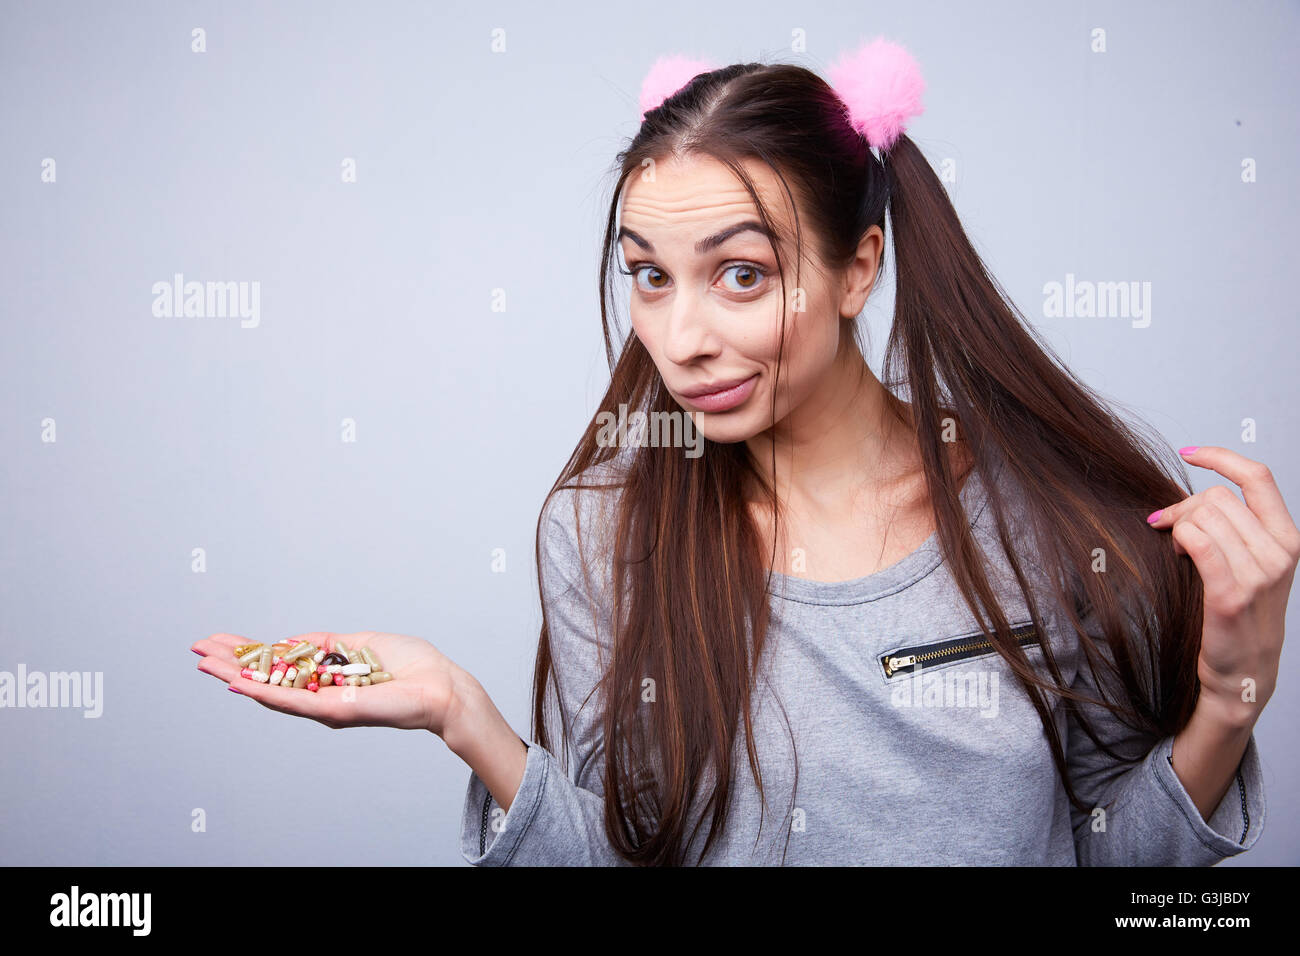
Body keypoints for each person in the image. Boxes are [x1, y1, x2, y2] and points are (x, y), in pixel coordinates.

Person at [192, 38, 1295, 866]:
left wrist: (1228, 694)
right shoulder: (603, 530)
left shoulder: (1041, 530)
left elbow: (1122, 866)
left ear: (857, 268)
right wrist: (460, 714)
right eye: (649, 274)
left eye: (741, 274)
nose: (680, 338)